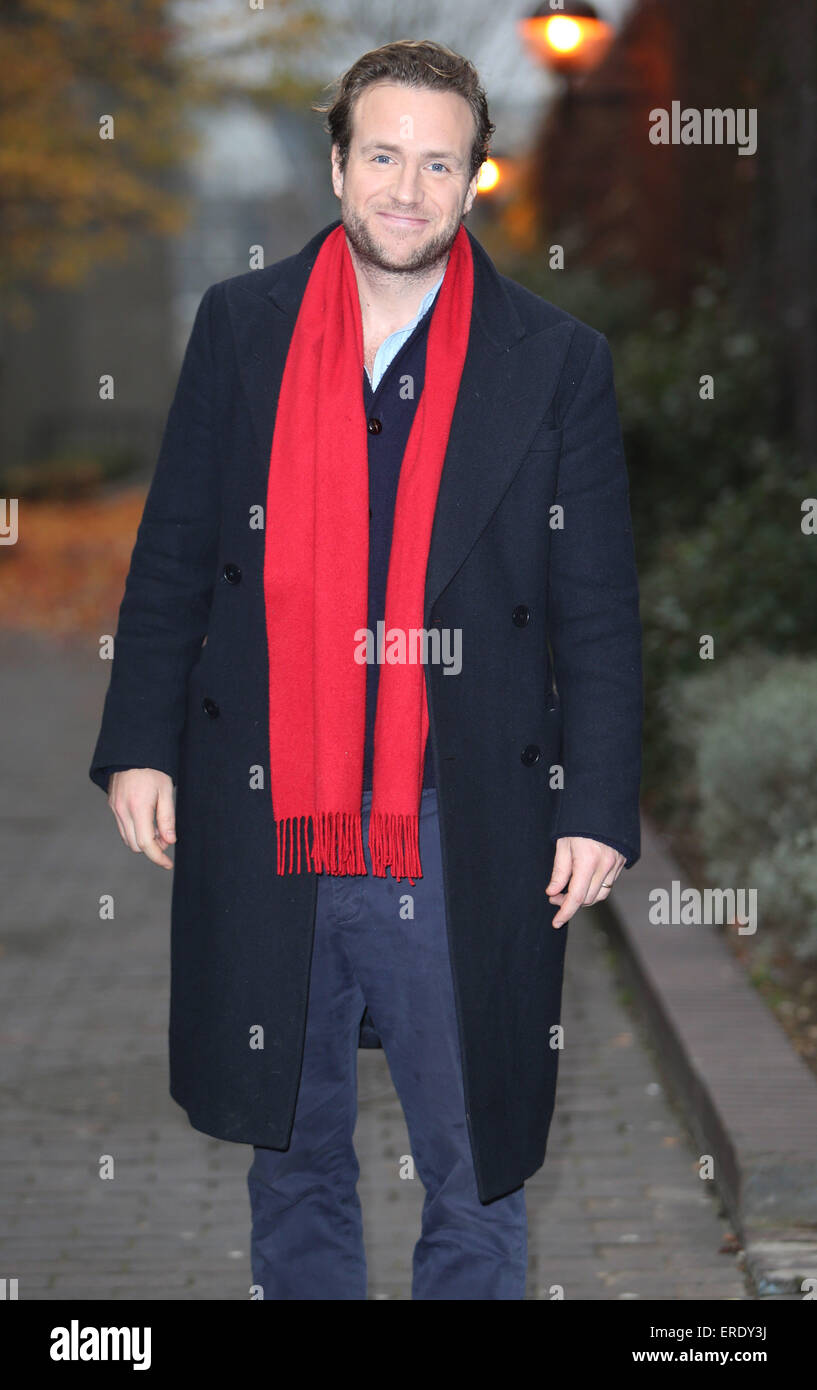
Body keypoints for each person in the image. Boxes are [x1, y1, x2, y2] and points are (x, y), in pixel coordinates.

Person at [89, 39, 643, 1300]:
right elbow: (175, 547)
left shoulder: (555, 362)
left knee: (473, 1163)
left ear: (472, 180)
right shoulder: (243, 328)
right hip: (269, 805)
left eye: (437, 161)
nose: (408, 185)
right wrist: (137, 741)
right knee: (289, 1154)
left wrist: (597, 806)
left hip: (464, 822)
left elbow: (597, 611)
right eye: (383, 154)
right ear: (338, 164)